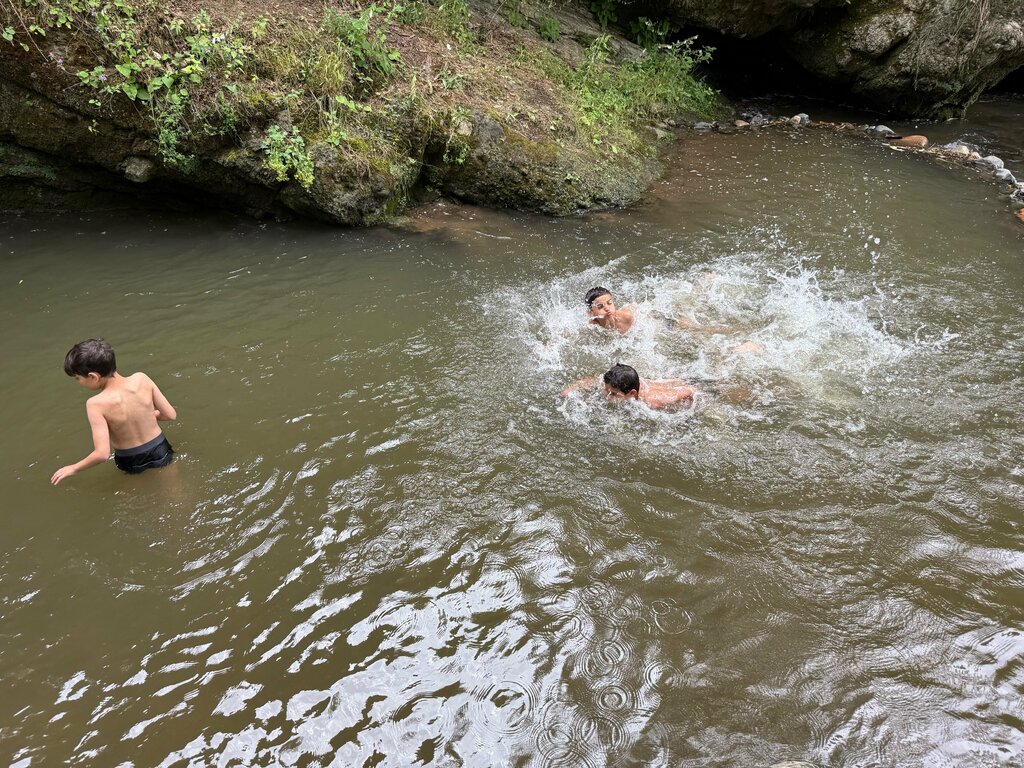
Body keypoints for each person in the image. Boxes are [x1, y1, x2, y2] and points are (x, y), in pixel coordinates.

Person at [51, 339, 176, 484]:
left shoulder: (95, 404)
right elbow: (170, 414)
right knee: (173, 489)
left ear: (93, 376)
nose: (79, 382)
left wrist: (74, 468)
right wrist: (146, 416)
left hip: (130, 460)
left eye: (78, 378)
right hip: (160, 449)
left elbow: (102, 454)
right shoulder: (142, 379)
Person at [561, 363, 700, 409]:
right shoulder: (613, 383)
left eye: (614, 394)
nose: (608, 396)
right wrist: (569, 390)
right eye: (607, 390)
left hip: (694, 384)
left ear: (633, 393)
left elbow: (691, 390)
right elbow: (588, 381)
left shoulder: (653, 401)